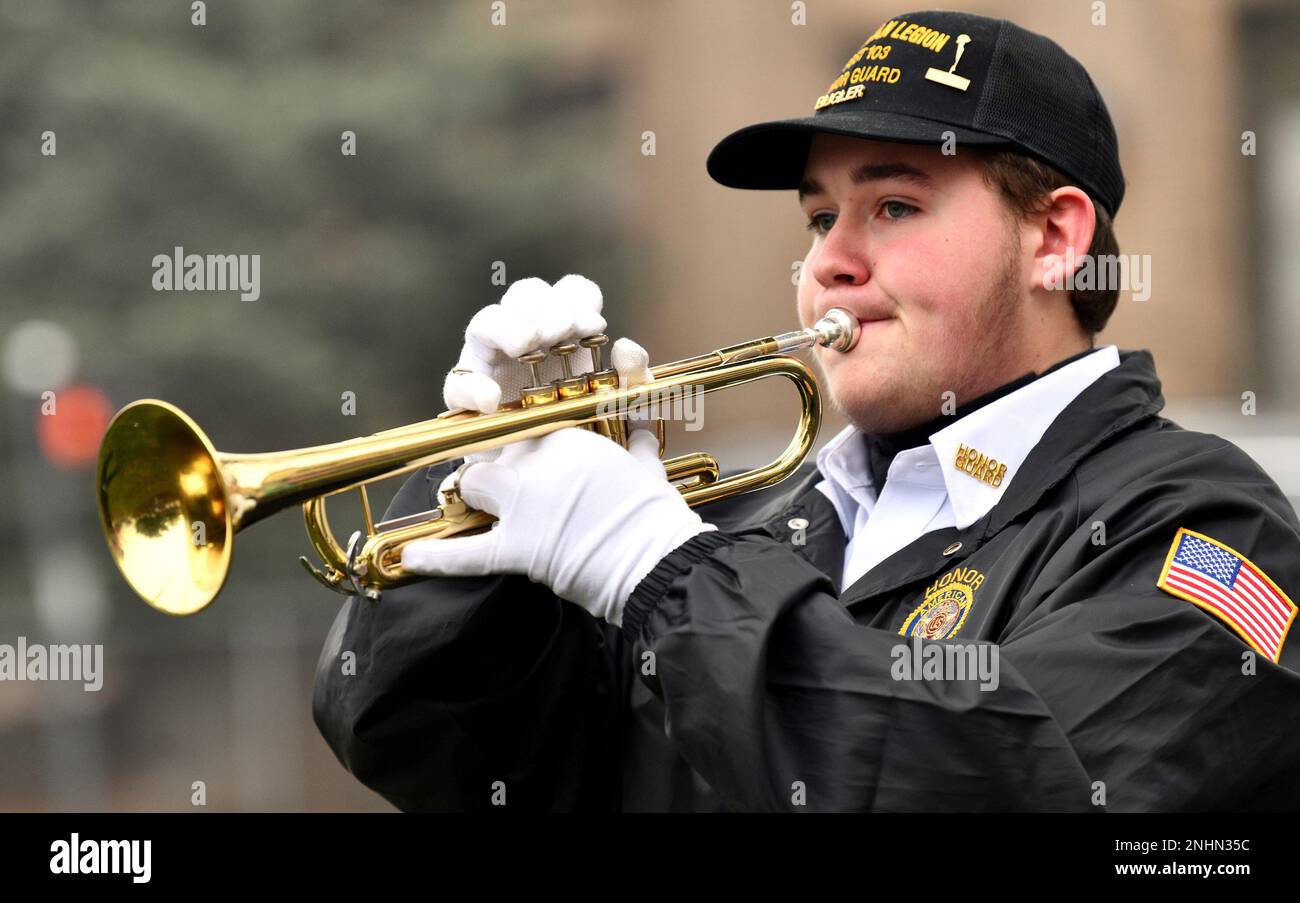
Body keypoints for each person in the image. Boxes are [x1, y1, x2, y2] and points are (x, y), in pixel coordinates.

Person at [311, 9, 1300, 811]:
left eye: (894, 207)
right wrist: (489, 505)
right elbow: (418, 746)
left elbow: (1027, 781)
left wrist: (658, 571)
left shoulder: (1208, 529)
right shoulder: (744, 528)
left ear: (1054, 239)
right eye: (820, 215)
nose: (828, 259)